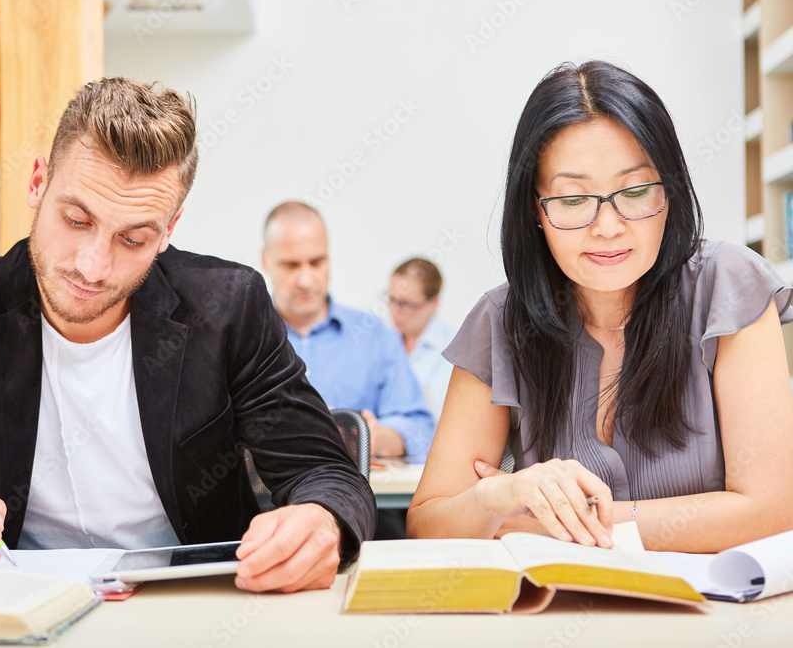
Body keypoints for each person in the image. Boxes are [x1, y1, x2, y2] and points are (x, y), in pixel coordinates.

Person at [0, 78, 376, 593]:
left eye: (133, 238)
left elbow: (324, 470)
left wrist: (322, 521)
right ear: (37, 185)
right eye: (76, 220)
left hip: (193, 607)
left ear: (168, 229)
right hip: (5, 608)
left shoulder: (230, 307)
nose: (94, 266)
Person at [408, 61, 793, 553]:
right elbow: (428, 522)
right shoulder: (500, 321)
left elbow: (772, 512)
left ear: (669, 193)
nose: (607, 226)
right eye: (572, 200)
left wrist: (543, 523)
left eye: (634, 192)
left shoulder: (727, 285)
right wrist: (497, 496)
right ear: (535, 209)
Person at [260, 202, 434, 459]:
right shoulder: (242, 335)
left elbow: (423, 431)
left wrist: (370, 440)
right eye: (291, 265)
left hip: (356, 495)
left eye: (316, 262)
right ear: (266, 260)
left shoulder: (375, 336)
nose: (306, 280)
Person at [388, 258, 455, 423]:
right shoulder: (382, 342)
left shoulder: (454, 350)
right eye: (392, 300)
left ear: (433, 303)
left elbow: (444, 420)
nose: (395, 310)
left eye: (406, 304)